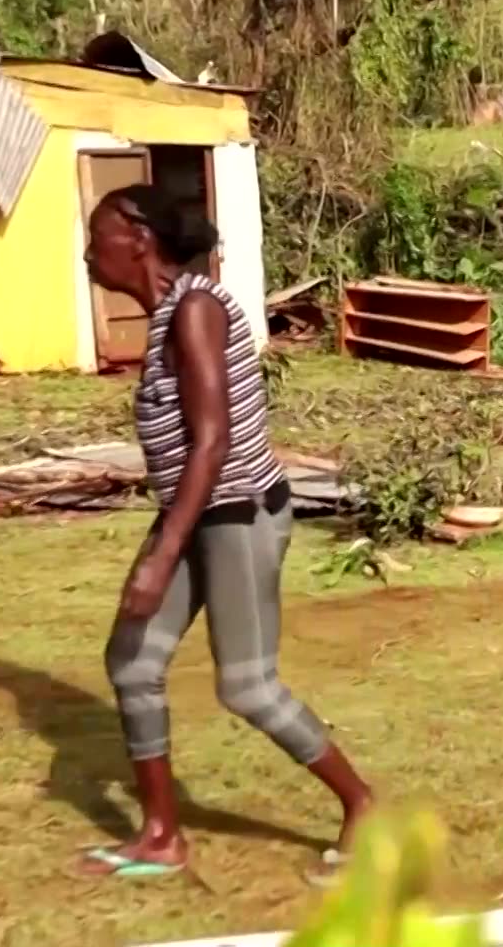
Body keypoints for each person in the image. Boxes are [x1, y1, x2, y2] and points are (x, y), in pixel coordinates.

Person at [79, 184, 372, 878]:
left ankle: (365, 807)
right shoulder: (168, 316)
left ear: (138, 238)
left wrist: (162, 555)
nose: (87, 253)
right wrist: (169, 539)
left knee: (247, 686)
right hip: (197, 512)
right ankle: (161, 836)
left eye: (96, 236)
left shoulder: (196, 309)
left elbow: (212, 442)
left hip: (239, 515)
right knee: (133, 662)